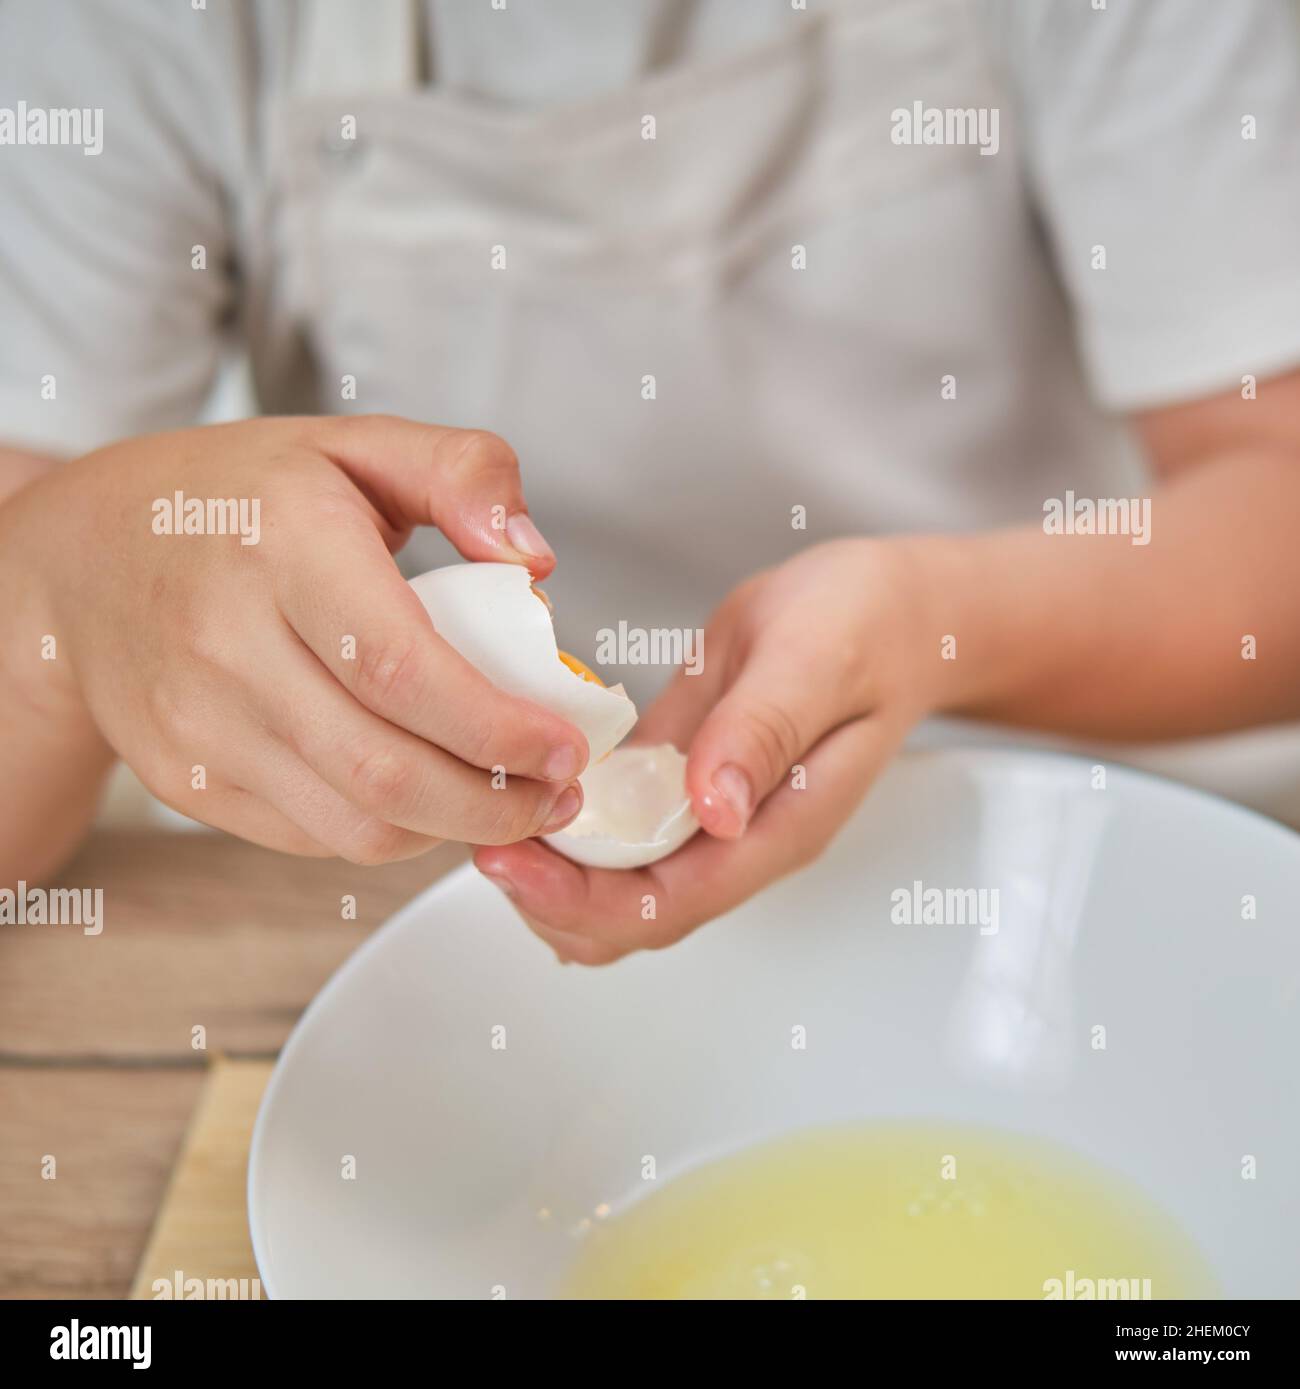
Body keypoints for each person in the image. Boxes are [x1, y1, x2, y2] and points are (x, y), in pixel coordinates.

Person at [3, 0, 1300, 965]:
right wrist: (68, 589)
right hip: (467, 899)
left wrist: (930, 618)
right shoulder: (117, 35)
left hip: (1092, 826)